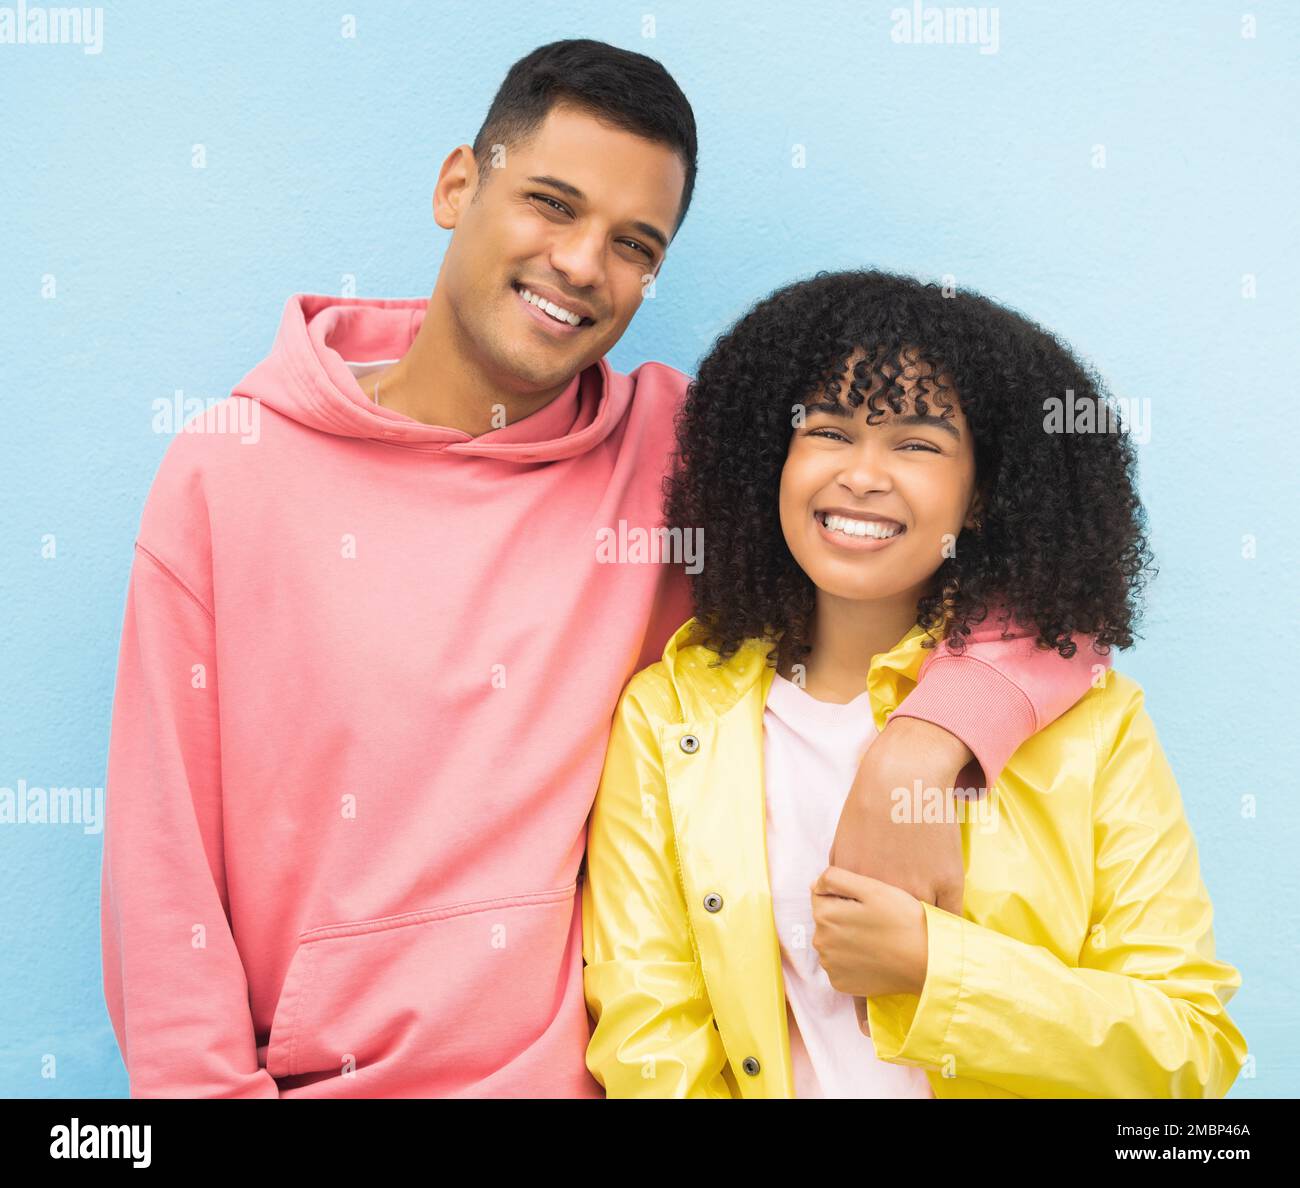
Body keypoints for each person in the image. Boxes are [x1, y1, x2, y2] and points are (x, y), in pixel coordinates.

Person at [101, 42, 1100, 1099]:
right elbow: (162, 869)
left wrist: (928, 744)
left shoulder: (680, 457)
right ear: (456, 186)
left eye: (633, 243)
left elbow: (1020, 576)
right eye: (550, 205)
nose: (582, 264)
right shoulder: (232, 469)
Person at [582, 269, 1249, 1098]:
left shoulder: (1094, 726)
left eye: (918, 443)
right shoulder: (669, 718)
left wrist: (939, 968)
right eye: (827, 431)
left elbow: (1190, 1050)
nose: (863, 474)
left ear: (980, 498)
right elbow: (652, 1040)